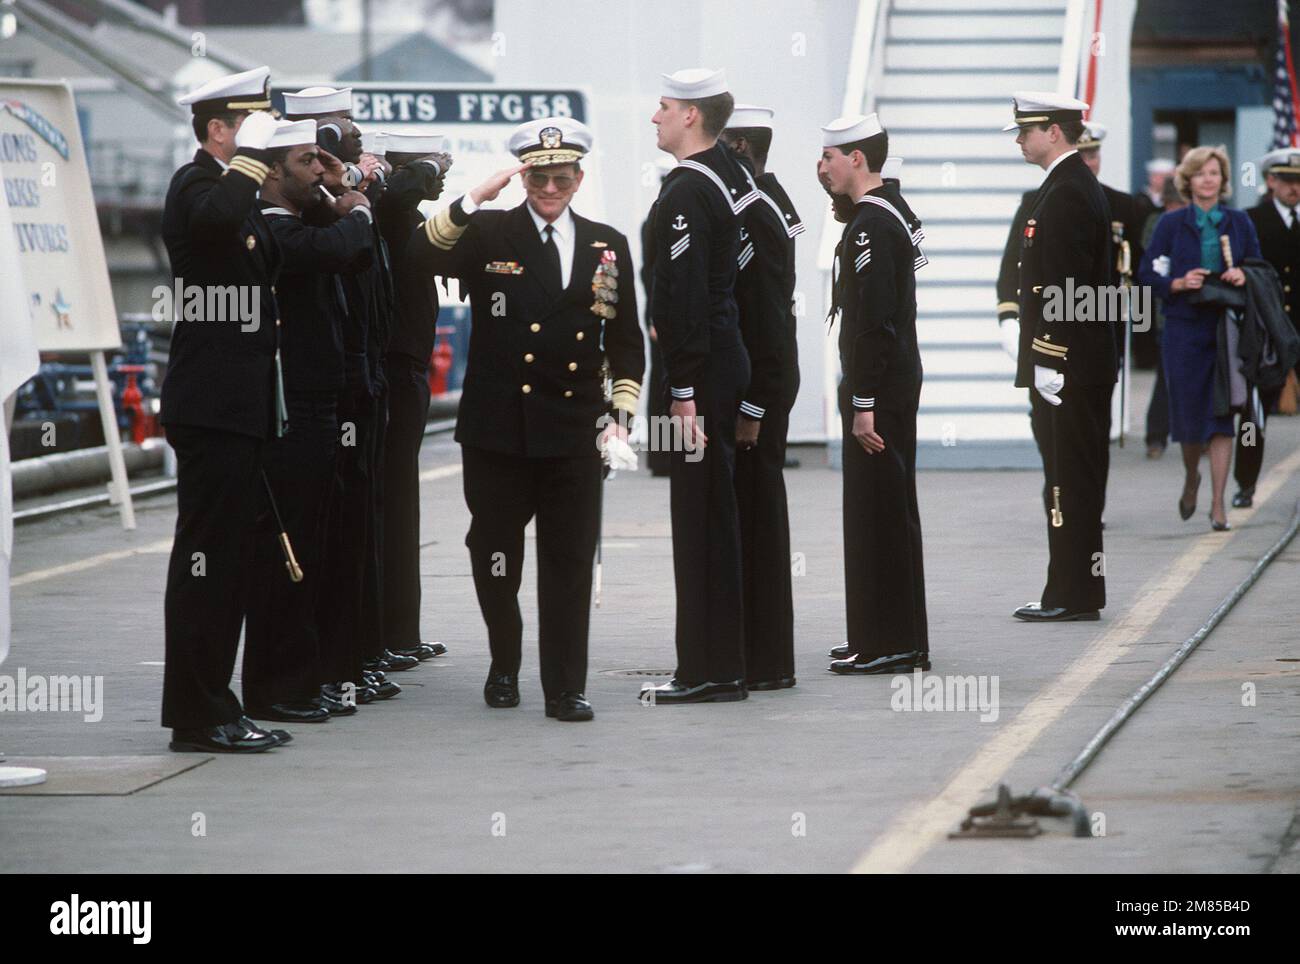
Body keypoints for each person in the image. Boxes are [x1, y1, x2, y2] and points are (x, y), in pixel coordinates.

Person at [408, 117, 644, 721]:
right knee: (493, 553)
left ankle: (566, 687)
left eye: (561, 178)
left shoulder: (605, 243)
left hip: (572, 431)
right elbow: (418, 254)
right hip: (498, 430)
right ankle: (504, 660)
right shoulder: (488, 233)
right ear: (522, 176)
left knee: (568, 562)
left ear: (578, 178)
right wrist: (473, 197)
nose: (549, 188)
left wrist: (620, 416)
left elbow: (625, 341)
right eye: (538, 176)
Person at [160, 66, 285, 753]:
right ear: (218, 130)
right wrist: (247, 160)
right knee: (206, 561)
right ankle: (197, 712)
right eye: (248, 126)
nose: (261, 143)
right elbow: (210, 226)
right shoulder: (197, 184)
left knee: (229, 563)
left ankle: (216, 703)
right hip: (210, 407)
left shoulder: (234, 192)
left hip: (240, 407)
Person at [242, 119, 376, 725]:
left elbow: (354, 262)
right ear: (272, 171)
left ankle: (302, 676)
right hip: (289, 405)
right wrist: (357, 210)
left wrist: (343, 207)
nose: (323, 172)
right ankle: (276, 687)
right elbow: (332, 250)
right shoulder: (272, 230)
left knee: (312, 546)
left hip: (318, 400)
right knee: (286, 549)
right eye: (308, 162)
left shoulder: (303, 224)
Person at [284, 86, 413, 710]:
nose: (351, 148)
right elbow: (343, 257)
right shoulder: (310, 214)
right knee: (328, 536)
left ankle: (353, 656)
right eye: (337, 137)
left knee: (356, 524)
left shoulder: (340, 206)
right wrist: (349, 194)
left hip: (360, 378)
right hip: (334, 389)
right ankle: (329, 665)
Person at [640, 68, 757, 705]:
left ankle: (707, 670)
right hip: (721, 358)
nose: (653, 117)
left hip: (701, 373)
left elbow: (682, 296)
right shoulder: (728, 174)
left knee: (700, 520)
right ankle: (722, 665)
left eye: (663, 107)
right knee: (714, 514)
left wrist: (681, 390)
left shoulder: (688, 189)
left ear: (691, 116)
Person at [816, 114, 929, 674]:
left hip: (879, 385)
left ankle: (894, 643)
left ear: (856, 157)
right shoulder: (880, 215)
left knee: (881, 513)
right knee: (877, 510)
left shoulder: (872, 225)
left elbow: (873, 322)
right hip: (886, 379)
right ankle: (877, 633)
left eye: (830, 157)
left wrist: (862, 403)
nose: (823, 167)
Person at [1003, 92, 1115, 622]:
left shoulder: (1068, 192)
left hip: (1070, 365)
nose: (1021, 140)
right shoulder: (1065, 186)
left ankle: (1071, 594)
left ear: (1054, 131)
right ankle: (1071, 589)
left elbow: (1065, 285)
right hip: (1075, 361)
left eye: (1027, 130)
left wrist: (1048, 355)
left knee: (1070, 480)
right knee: (1070, 477)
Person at [719, 104, 803, 690]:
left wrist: (752, 407)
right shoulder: (760, 203)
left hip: (761, 389)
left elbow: (769, 324)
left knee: (759, 520)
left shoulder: (757, 213)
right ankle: (758, 651)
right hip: (761, 383)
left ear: (741, 147)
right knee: (752, 519)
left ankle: (768, 660)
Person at [1139, 145, 1260, 531]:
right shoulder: (1171, 224)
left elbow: (1259, 267)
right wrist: (1177, 281)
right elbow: (1146, 273)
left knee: (1223, 414)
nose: (1208, 180)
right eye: (1201, 174)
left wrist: (1244, 275)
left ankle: (1219, 503)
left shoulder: (1239, 222)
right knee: (1190, 419)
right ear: (1187, 181)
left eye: (1214, 173)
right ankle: (1192, 475)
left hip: (1226, 327)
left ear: (1223, 181)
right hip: (1183, 327)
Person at [375, 131, 454, 661]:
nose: (442, 175)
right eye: (431, 168)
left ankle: (402, 631)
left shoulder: (403, 217)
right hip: (390, 374)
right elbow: (399, 192)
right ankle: (385, 634)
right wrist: (422, 166)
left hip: (408, 373)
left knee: (403, 508)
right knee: (388, 510)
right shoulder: (385, 208)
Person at [1240, 147, 1300, 505]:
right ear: (1271, 181)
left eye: (1299, 182)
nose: (1294, 188)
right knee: (1254, 413)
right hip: (1268, 328)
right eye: (1288, 181)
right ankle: (1245, 482)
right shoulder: (1252, 219)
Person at [1142, 176, 1186, 459]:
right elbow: (1153, 266)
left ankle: (1200, 434)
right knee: (1166, 376)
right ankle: (1156, 436)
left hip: (1194, 307)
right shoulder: (1156, 224)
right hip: (1164, 311)